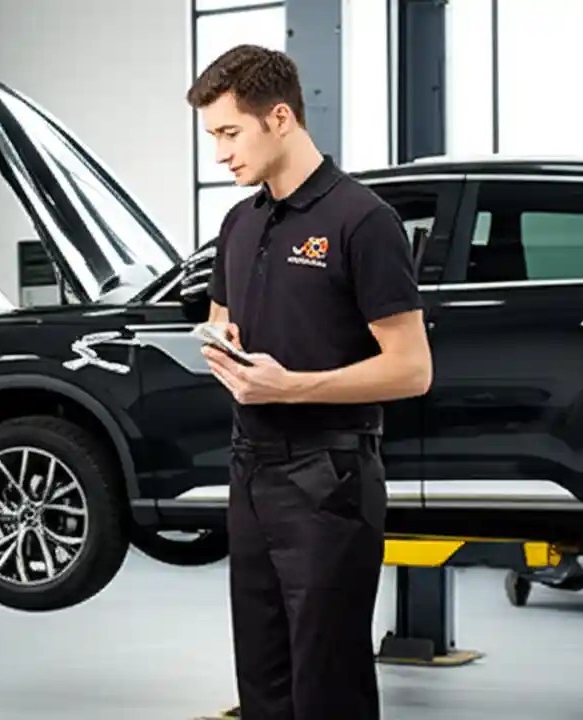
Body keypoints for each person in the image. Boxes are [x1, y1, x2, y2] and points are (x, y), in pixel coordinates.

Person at [185, 45, 433, 719]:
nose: (220, 154)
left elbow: (412, 369)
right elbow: (221, 321)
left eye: (229, 133)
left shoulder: (362, 220)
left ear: (282, 118)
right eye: (213, 137)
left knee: (326, 682)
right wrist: (222, 349)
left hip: (330, 479)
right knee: (262, 679)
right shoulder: (239, 223)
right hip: (251, 472)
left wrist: (288, 387)